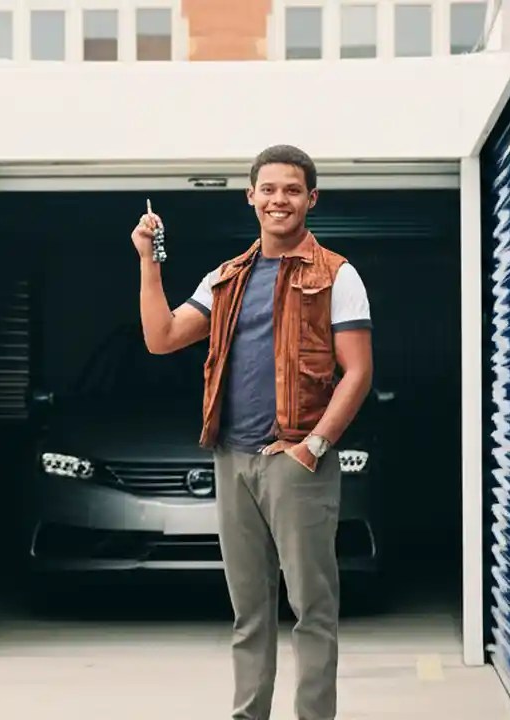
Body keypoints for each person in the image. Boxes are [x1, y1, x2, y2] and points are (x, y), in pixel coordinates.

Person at [130, 144, 374, 720]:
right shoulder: (227, 278)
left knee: (312, 606)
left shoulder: (338, 274)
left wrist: (314, 447)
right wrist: (149, 260)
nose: (278, 200)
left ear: (310, 199)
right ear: (251, 197)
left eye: (291, 190)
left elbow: (358, 371)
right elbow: (161, 336)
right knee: (250, 613)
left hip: (297, 463)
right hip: (232, 459)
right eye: (268, 189)